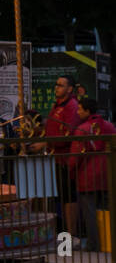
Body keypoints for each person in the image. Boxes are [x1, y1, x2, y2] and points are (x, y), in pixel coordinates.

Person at [74, 97, 114, 251]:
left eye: (80, 109)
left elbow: (75, 156)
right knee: (107, 210)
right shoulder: (109, 126)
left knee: (89, 212)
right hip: (107, 175)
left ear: (87, 111)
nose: (77, 112)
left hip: (87, 175)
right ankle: (109, 242)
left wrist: (71, 171)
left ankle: (93, 244)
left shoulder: (82, 128)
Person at [45, 74, 82, 236]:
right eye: (56, 84)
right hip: (57, 158)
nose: (56, 87)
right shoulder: (57, 105)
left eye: (60, 85)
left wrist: (46, 143)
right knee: (61, 197)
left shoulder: (72, 106)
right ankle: (65, 234)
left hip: (67, 159)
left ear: (70, 89)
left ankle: (71, 236)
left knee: (68, 197)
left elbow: (69, 133)